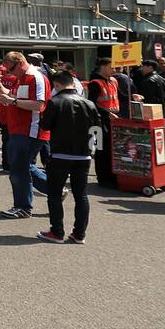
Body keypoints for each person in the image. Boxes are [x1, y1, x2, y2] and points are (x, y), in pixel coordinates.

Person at [37, 71, 101, 243]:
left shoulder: (55, 102)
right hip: (84, 156)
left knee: (55, 194)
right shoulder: (89, 103)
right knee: (81, 195)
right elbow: (97, 130)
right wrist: (94, 150)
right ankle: (79, 234)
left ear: (56, 85)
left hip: (60, 154)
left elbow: (45, 126)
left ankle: (57, 232)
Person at [0, 51, 52, 218]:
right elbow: (13, 95)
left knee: (19, 169)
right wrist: (0, 88)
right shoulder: (21, 78)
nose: (10, 73)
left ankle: (23, 206)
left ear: (20, 62)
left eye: (11, 69)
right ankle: (53, 190)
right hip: (20, 129)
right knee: (23, 166)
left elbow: (39, 105)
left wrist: (11, 101)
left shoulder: (35, 77)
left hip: (31, 130)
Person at [87, 58, 121, 188]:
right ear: (103, 67)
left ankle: (112, 176)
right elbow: (92, 104)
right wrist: (106, 113)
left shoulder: (114, 81)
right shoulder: (95, 83)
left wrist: (133, 95)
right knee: (101, 150)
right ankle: (103, 178)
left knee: (111, 149)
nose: (114, 70)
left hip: (112, 120)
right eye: (111, 67)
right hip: (99, 121)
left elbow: (120, 96)